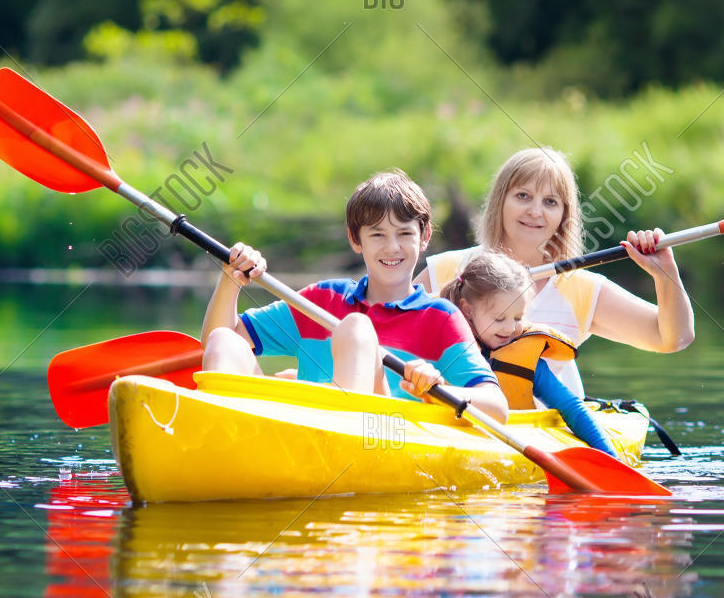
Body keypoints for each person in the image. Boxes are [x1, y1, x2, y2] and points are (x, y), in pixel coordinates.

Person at [200, 169, 509, 421]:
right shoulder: (322, 298)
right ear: (355, 239)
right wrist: (231, 279)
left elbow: (497, 406)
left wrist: (439, 388)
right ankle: (225, 442)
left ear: (425, 236)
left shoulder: (441, 318)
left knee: (356, 328)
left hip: (377, 439)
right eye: (377, 235)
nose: (392, 248)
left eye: (404, 234)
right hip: (299, 436)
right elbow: (218, 343)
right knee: (224, 340)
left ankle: (337, 440)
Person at [417, 147, 693, 395]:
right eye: (523, 196)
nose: (535, 211)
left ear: (564, 215)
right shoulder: (448, 270)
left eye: (550, 202)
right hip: (455, 417)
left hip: (546, 430)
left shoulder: (581, 288)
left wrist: (665, 274)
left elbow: (672, 338)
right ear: (501, 202)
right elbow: (383, 323)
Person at [440, 249, 619, 456]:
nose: (509, 329)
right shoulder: (442, 345)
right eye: (499, 319)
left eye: (518, 318)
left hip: (508, 445)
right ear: (468, 309)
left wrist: (610, 457)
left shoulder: (528, 361)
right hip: (447, 435)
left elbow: (571, 408)